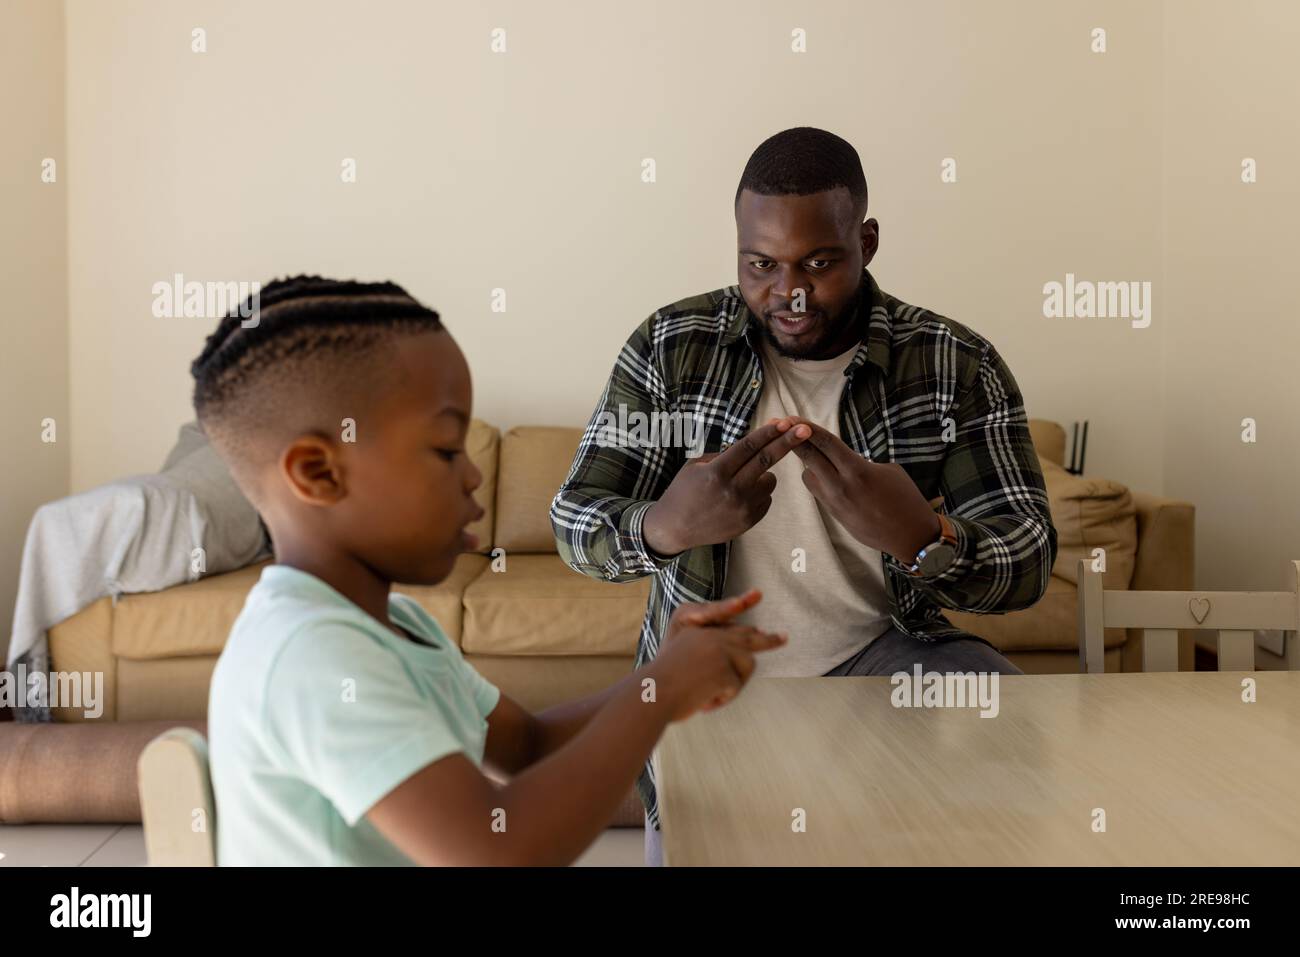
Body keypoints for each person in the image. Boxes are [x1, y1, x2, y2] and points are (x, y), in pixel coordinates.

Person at [551, 127, 1059, 866]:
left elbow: (1032, 555)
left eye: (819, 263)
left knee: (1012, 723)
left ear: (868, 241)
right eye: (760, 264)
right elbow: (574, 519)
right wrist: (662, 526)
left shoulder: (954, 363)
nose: (787, 291)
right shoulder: (672, 345)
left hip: (881, 656)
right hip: (709, 667)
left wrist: (926, 537)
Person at [196, 276, 785, 865]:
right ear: (319, 474)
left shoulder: (393, 623)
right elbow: (497, 852)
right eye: (448, 450)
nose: (475, 476)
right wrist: (662, 696)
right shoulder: (311, 653)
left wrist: (658, 676)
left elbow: (528, 745)